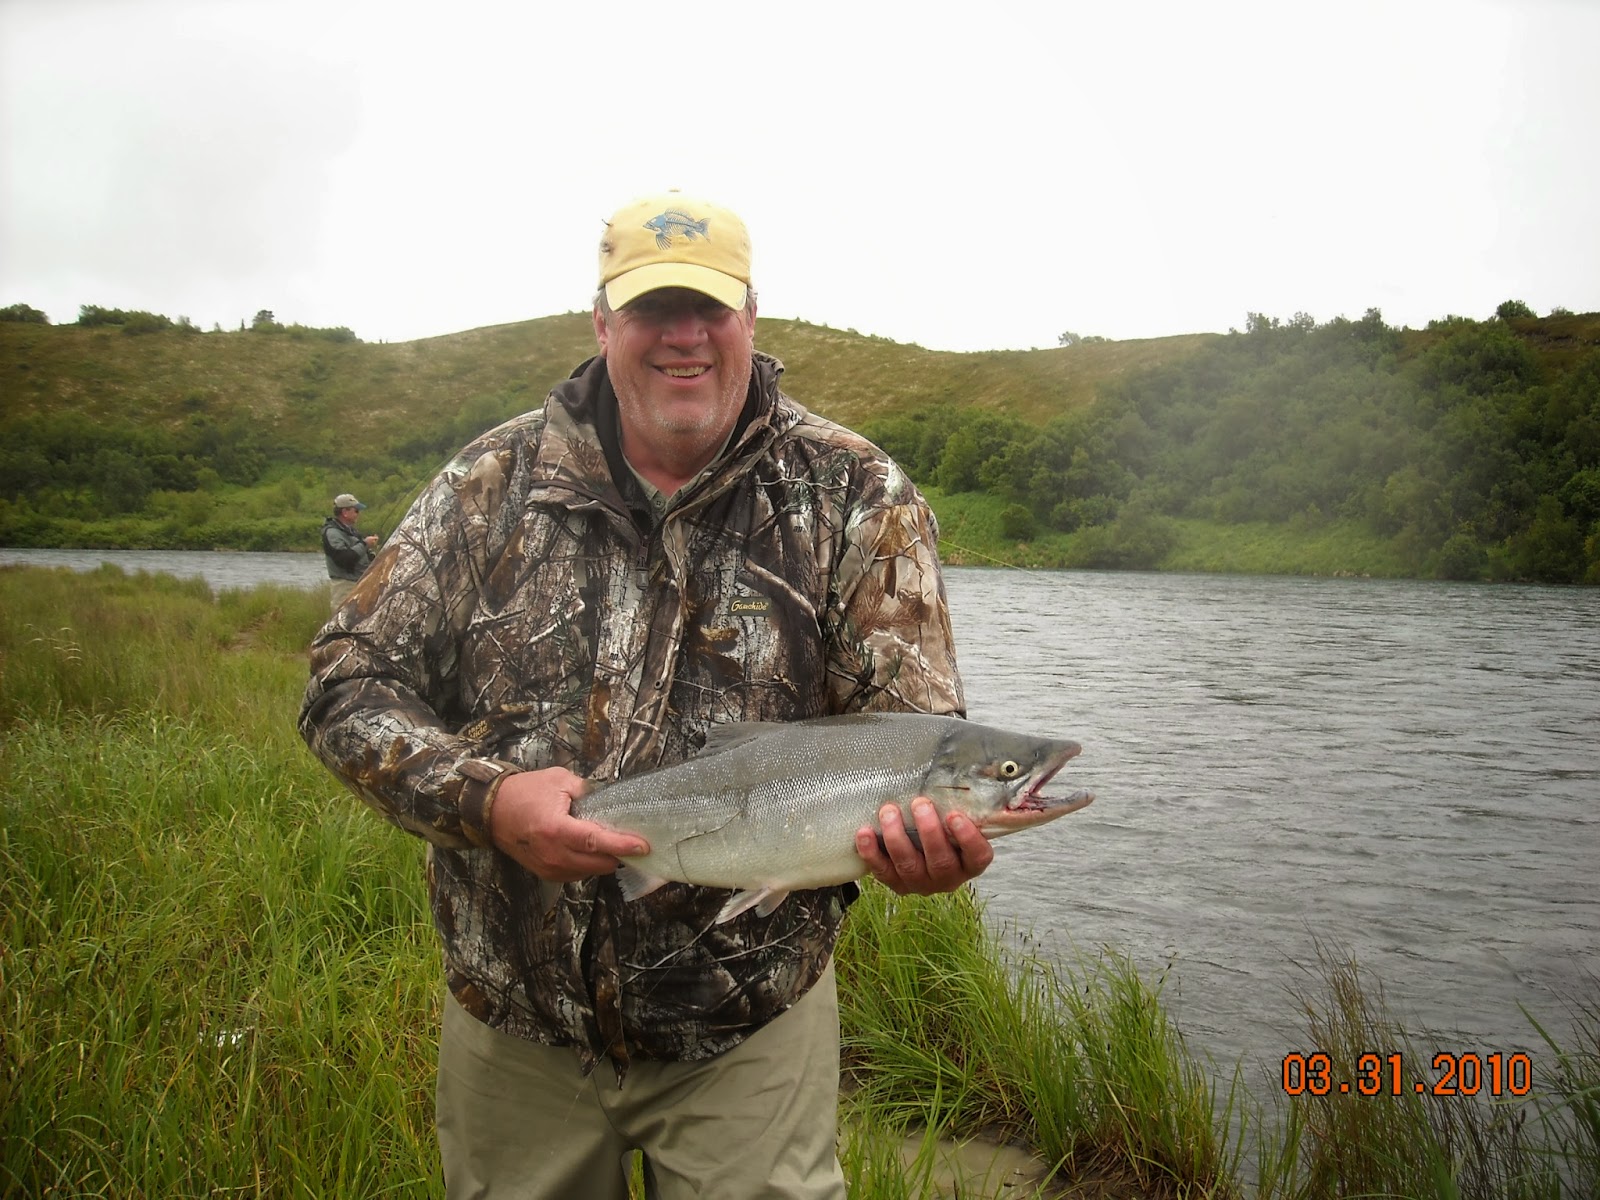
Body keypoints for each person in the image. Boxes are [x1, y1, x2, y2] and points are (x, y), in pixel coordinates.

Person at [298, 191, 990, 1199]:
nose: (684, 337)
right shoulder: (487, 484)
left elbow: (916, 738)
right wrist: (486, 802)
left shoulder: (855, 495)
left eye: (709, 309)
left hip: (749, 1031)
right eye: (653, 309)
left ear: (750, 317)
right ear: (602, 322)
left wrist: (927, 849)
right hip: (514, 1027)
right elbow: (343, 686)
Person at [321, 492, 377, 613]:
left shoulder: (350, 531)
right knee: (344, 622)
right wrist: (364, 544)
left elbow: (358, 554)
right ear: (345, 512)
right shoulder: (332, 533)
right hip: (344, 586)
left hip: (358, 583)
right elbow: (343, 559)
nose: (358, 514)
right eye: (356, 510)